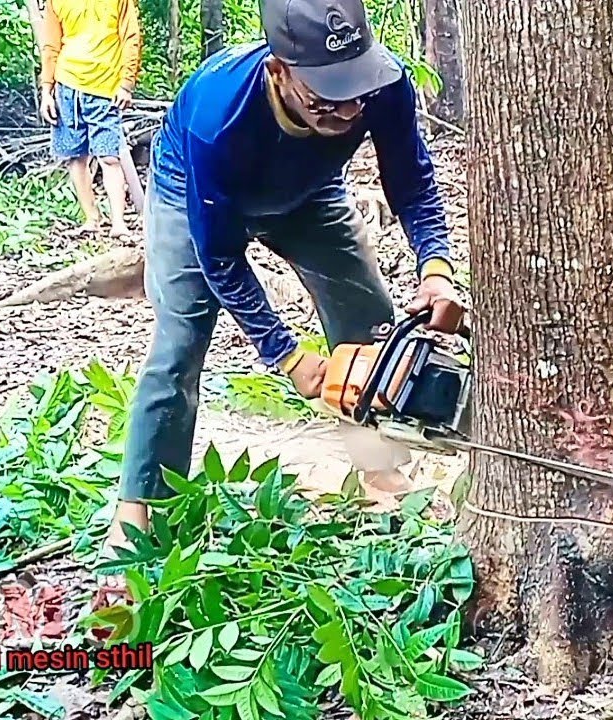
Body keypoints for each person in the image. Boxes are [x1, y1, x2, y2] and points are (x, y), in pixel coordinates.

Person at [99, 0, 465, 574]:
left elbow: (412, 181)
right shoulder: (218, 120)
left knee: (369, 319)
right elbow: (219, 258)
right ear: (278, 73)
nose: (346, 111)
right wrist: (288, 356)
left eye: (354, 93)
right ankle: (139, 509)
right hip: (193, 192)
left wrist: (437, 269)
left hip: (309, 192)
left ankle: (379, 468)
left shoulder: (386, 87)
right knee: (179, 344)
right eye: (325, 97)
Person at [39, 0, 142, 238]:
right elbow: (50, 45)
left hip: (105, 88)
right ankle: (91, 219)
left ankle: (119, 223)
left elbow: (130, 37)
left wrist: (126, 84)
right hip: (67, 86)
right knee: (76, 157)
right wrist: (47, 90)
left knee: (109, 157)